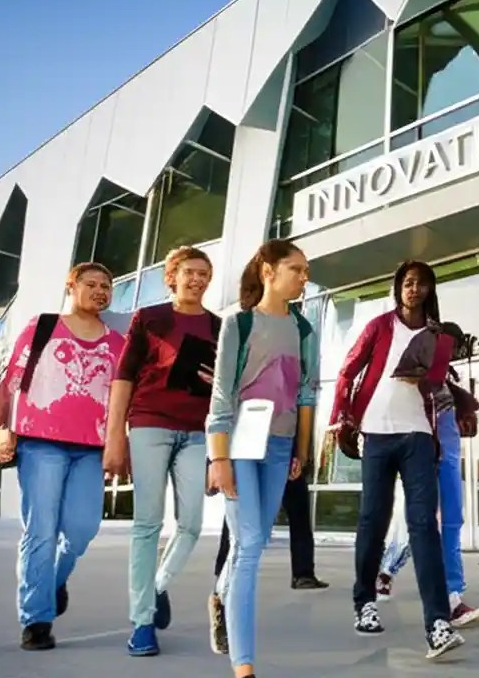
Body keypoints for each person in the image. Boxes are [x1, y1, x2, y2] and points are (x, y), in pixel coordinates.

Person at [329, 261, 465, 659]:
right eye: (408, 282)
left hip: (417, 435)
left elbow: (437, 385)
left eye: (421, 284)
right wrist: (341, 417)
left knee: (424, 525)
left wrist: (438, 385)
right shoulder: (379, 326)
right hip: (376, 432)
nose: (413, 289)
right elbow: (347, 371)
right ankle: (364, 602)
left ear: (430, 291)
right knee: (373, 520)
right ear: (398, 287)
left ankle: (438, 623)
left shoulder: (437, 336)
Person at [0, 263, 125, 651]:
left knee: (83, 528)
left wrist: (120, 441)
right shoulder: (42, 326)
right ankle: (36, 619)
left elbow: (122, 398)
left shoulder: (118, 343)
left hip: (91, 447)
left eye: (106, 285)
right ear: (71, 286)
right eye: (91, 283)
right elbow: (12, 379)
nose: (100, 290)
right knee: (41, 529)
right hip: (40, 441)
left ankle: (52, 580)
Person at [204, 239, 319, 678]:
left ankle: (221, 594)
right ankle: (244, 666)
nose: (304, 277)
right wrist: (219, 459)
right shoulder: (240, 323)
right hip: (239, 440)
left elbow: (306, 392)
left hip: (280, 445)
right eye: (296, 269)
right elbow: (221, 397)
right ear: (268, 271)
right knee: (249, 545)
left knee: (253, 542)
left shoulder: (304, 329)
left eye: (306, 270)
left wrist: (302, 450)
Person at [103, 246, 220, 657]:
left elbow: (227, 389)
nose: (197, 279)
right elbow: (123, 377)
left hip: (196, 433)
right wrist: (115, 435)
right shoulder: (149, 318)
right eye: (189, 272)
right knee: (147, 525)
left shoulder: (219, 326)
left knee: (191, 524)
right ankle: (142, 623)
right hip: (149, 425)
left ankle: (156, 585)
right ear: (171, 277)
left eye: (204, 273)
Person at [376, 322, 479, 628]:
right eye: (447, 345)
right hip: (423, 456)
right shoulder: (415, 376)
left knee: (452, 520)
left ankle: (452, 597)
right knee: (419, 524)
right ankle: (392, 573)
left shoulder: (449, 379)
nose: (450, 352)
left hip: (449, 458)